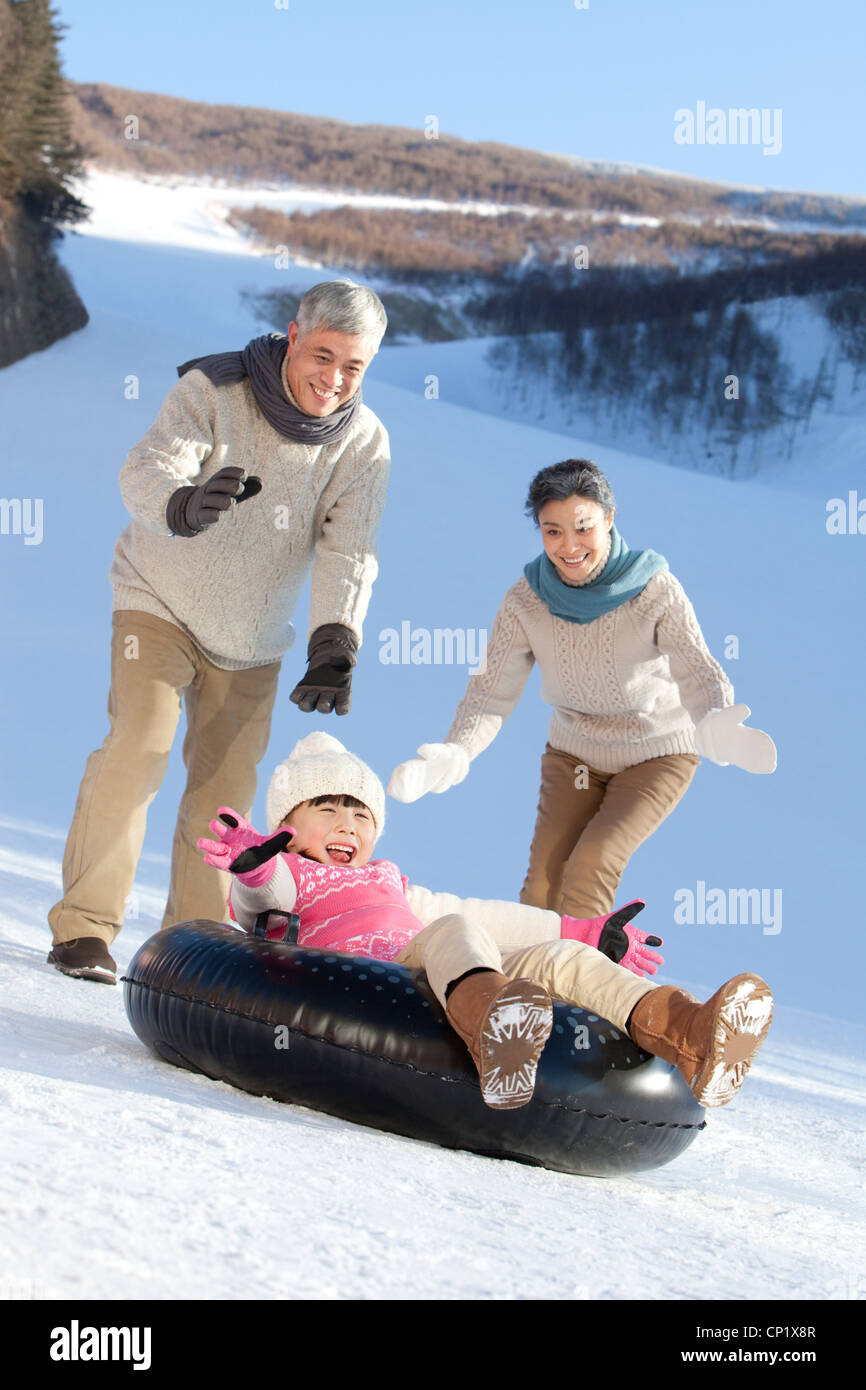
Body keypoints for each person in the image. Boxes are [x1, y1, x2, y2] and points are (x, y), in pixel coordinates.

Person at [48, 280, 391, 986]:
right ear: (293, 336)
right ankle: (84, 930)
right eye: (322, 355)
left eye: (352, 367)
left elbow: (349, 548)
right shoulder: (215, 389)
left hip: (255, 638)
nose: (333, 379)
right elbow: (146, 468)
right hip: (159, 601)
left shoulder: (363, 442)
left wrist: (334, 642)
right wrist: (182, 503)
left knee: (225, 803)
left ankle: (188, 952)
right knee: (137, 747)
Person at [198, 732, 774, 1113]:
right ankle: (494, 1031)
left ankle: (690, 1034)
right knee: (455, 930)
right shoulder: (293, 874)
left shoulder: (390, 881)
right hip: (366, 974)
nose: (346, 825)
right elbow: (261, 902)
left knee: (553, 959)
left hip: (434, 963)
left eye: (360, 813)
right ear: (287, 825)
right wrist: (254, 869)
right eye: (325, 809)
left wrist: (582, 931)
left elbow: (482, 914)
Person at [388, 458, 777, 920]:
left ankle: (586, 986)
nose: (569, 546)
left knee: (592, 863)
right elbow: (491, 692)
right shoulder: (526, 601)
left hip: (656, 755)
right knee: (543, 886)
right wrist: (457, 751)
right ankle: (526, 986)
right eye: (552, 531)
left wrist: (715, 716)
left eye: (582, 527)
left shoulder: (653, 590)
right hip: (574, 755)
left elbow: (698, 668)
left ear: (609, 519)